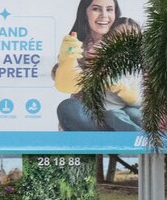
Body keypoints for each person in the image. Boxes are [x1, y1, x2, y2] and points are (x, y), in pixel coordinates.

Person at [54, 0, 141, 131]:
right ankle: (110, 140)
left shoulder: (135, 57)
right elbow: (66, 83)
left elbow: (143, 94)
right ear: (85, 13)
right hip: (92, 116)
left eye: (109, 9)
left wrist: (122, 89)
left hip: (124, 113)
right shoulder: (78, 46)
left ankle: (131, 138)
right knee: (68, 108)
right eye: (96, 9)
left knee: (134, 112)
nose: (104, 15)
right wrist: (69, 60)